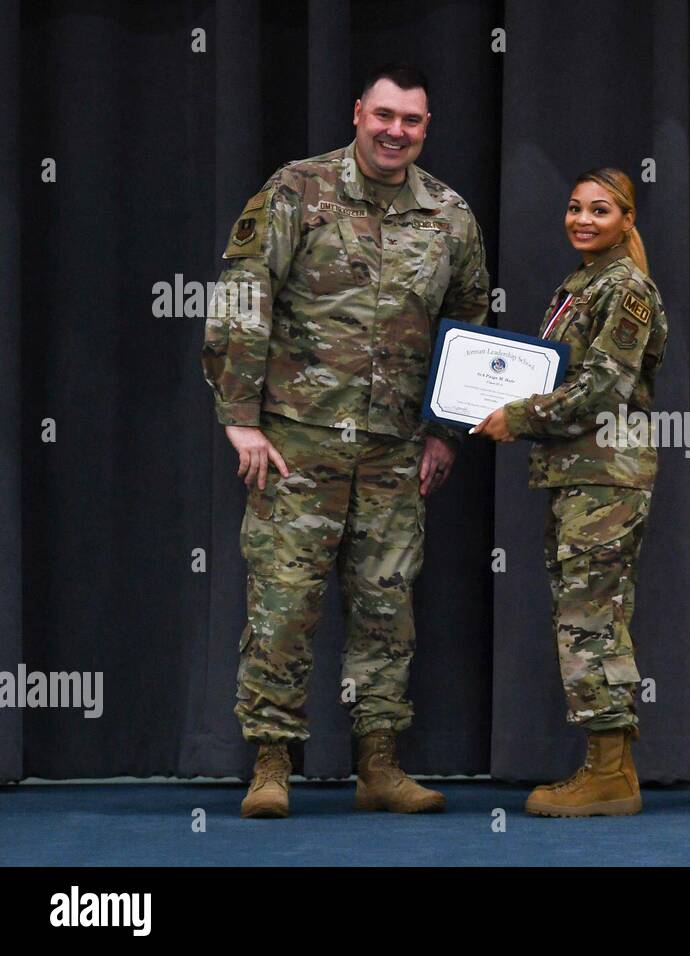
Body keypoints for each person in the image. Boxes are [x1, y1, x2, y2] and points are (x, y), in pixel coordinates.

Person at [201, 62, 490, 818]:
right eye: (384, 115)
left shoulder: (450, 215)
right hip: (299, 440)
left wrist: (447, 431)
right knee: (283, 604)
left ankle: (380, 766)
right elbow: (242, 290)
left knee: (385, 608)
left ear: (426, 129)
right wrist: (240, 416)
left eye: (413, 121)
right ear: (358, 111)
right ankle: (271, 763)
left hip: (395, 448)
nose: (396, 131)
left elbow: (468, 329)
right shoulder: (300, 190)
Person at [475, 168, 667, 817]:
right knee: (586, 613)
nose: (583, 219)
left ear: (626, 219)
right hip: (577, 472)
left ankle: (609, 774)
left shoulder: (626, 287)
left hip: (605, 475)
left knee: (592, 617)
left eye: (601, 210)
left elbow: (604, 389)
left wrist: (519, 417)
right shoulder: (581, 284)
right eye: (575, 207)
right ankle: (609, 767)